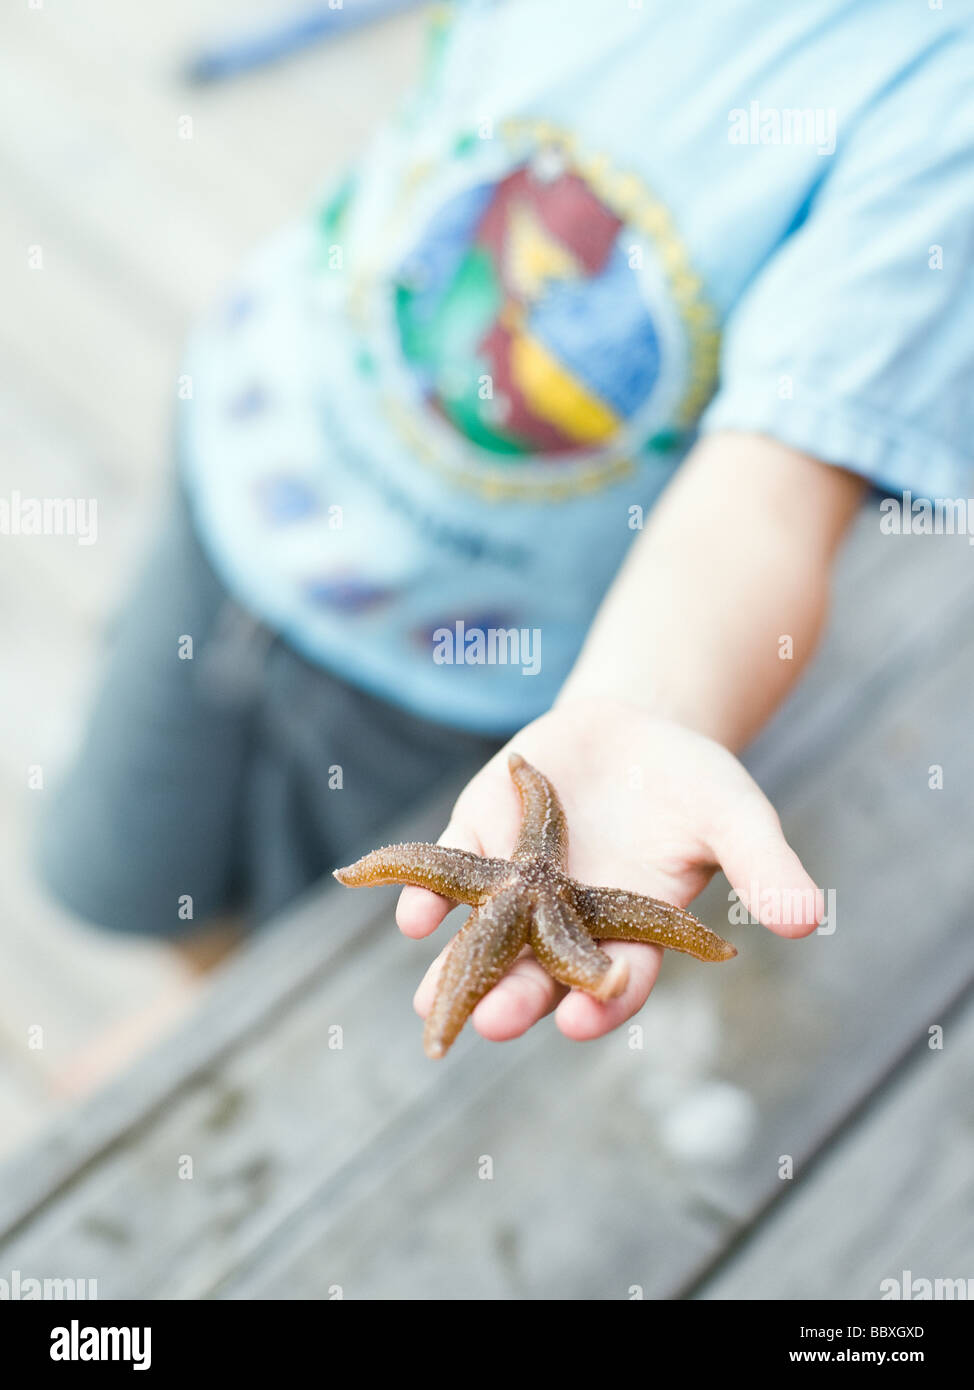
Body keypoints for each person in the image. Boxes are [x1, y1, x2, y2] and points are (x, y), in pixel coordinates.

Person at [38, 0, 974, 1051]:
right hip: (252, 456)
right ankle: (200, 981)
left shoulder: (941, 114)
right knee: (142, 859)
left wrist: (633, 709)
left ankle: (217, 1014)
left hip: (470, 679)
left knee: (322, 927)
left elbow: (768, 495)